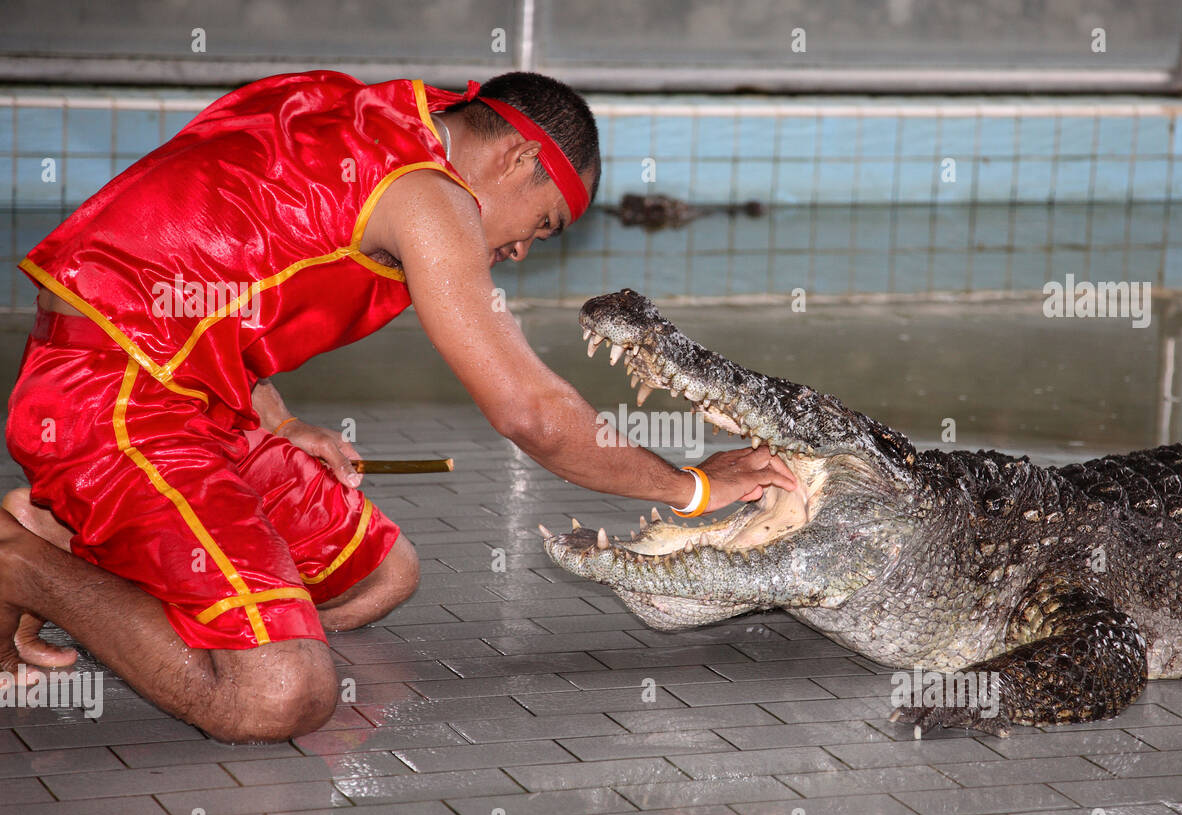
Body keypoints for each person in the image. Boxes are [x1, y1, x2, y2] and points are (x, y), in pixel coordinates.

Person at [0, 70, 796, 743]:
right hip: (115, 400)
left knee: (382, 575)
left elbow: (207, 254)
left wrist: (277, 421)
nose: (521, 251)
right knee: (281, 695)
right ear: (520, 157)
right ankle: (22, 562)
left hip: (197, 394)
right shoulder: (428, 196)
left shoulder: (375, 114)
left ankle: (68, 533)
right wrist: (693, 486)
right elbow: (531, 412)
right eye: (542, 224)